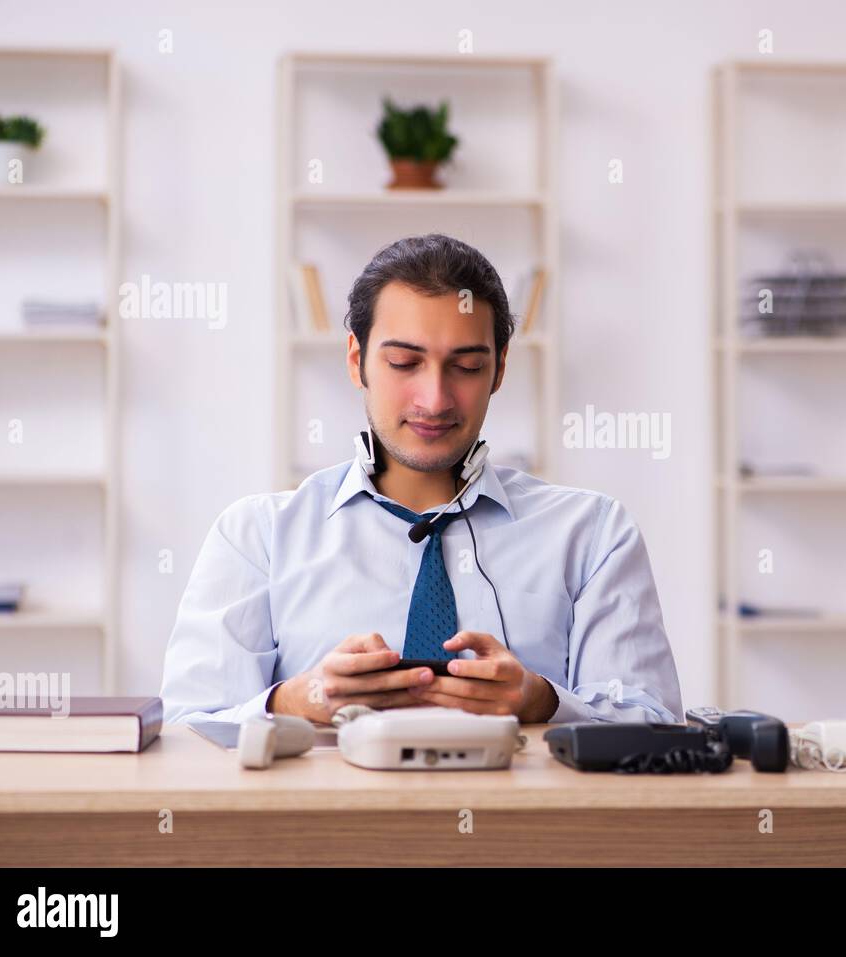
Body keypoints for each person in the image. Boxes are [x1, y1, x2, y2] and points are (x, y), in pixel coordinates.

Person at [160, 233, 683, 726]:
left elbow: (655, 720)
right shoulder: (258, 536)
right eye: (405, 362)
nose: (434, 399)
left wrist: (542, 701)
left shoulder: (593, 533)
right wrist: (297, 699)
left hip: (523, 825)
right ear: (356, 360)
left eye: (467, 367)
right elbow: (188, 730)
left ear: (500, 369)